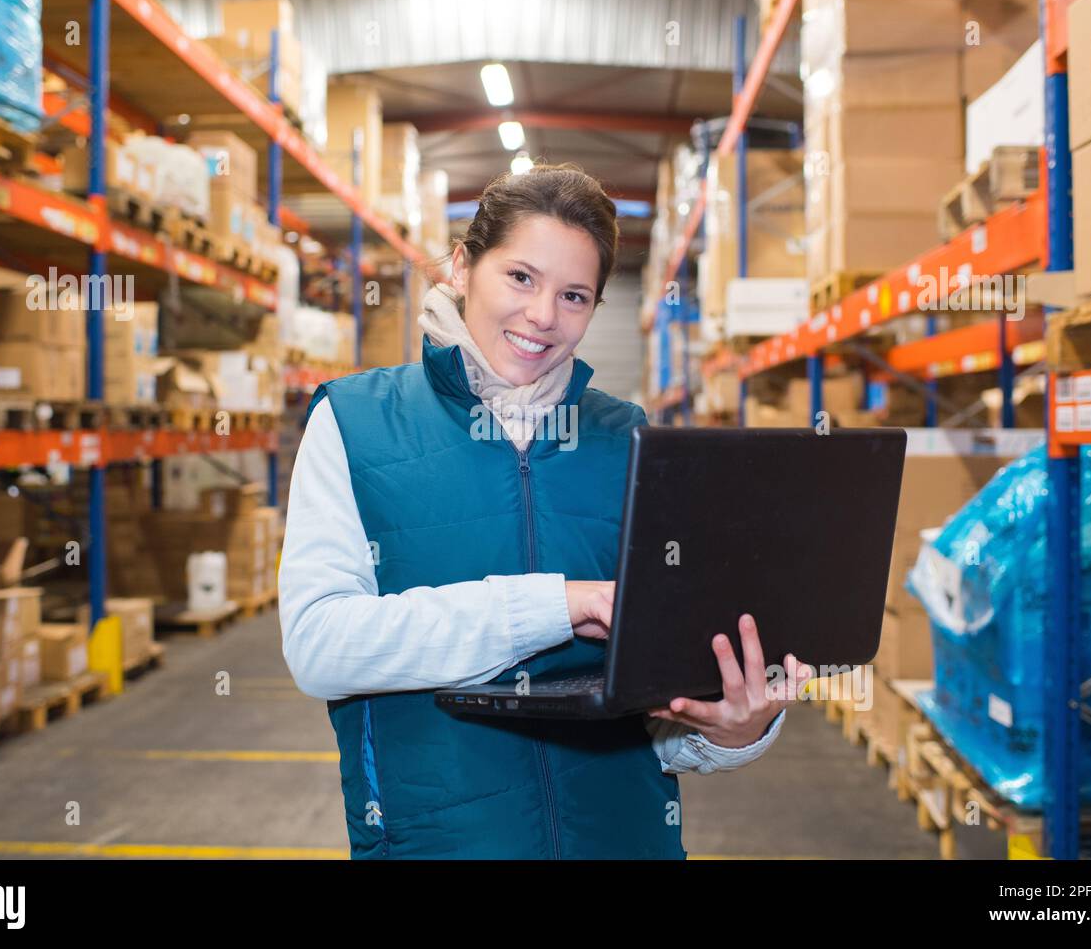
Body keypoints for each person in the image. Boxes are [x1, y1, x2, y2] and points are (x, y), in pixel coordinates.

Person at [279, 163, 812, 859]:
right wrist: (552, 605)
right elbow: (319, 645)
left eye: (574, 295)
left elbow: (656, 715)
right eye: (520, 278)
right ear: (466, 266)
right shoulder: (355, 421)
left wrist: (731, 731)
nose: (542, 317)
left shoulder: (629, 440)